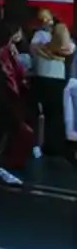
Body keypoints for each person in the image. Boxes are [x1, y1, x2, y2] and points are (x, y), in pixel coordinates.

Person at [0, 21, 31, 186]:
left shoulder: (8, 51)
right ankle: (4, 165)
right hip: (8, 95)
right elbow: (10, 74)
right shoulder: (4, 52)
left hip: (10, 94)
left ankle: (5, 163)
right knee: (14, 128)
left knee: (13, 129)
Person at [31, 21, 74, 156]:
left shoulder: (39, 43)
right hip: (58, 82)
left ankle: (39, 145)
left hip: (41, 80)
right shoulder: (70, 48)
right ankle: (55, 146)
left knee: (42, 115)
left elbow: (34, 50)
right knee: (56, 116)